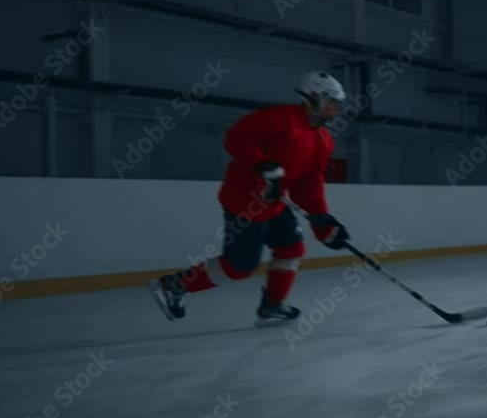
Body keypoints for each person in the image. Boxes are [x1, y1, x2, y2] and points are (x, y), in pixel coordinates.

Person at [150, 71, 351, 324]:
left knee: (291, 248)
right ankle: (172, 286)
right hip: (244, 202)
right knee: (240, 266)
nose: (335, 108)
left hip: (275, 203)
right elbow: (236, 137)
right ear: (312, 97)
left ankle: (272, 305)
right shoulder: (279, 119)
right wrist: (262, 165)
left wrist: (323, 223)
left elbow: (309, 184)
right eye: (331, 101)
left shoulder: (323, 140)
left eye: (337, 103)